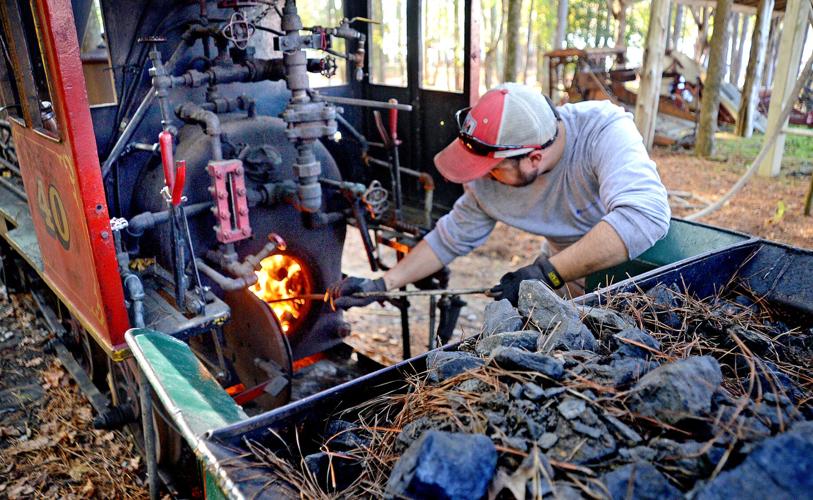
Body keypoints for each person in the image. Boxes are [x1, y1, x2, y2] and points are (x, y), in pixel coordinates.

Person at [333, 82, 670, 308]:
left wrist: (547, 273)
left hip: (644, 272)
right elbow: (449, 238)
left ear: (534, 158)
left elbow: (643, 216)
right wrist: (382, 283)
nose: (482, 179)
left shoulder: (602, 130)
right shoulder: (492, 179)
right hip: (565, 270)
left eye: (492, 169)